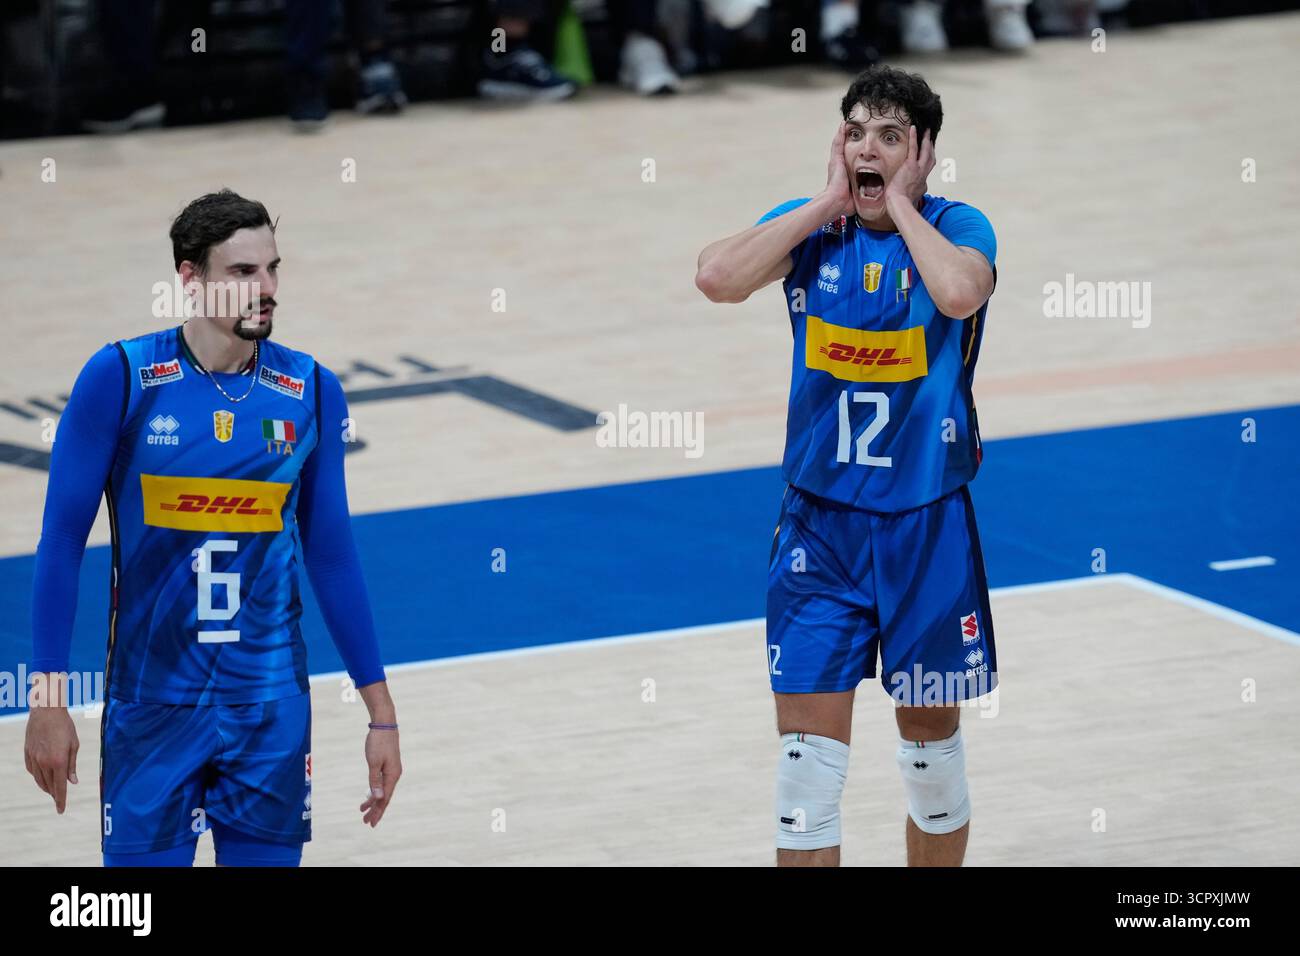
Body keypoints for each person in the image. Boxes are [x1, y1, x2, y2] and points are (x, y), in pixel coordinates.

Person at [24, 189, 401, 866]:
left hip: (269, 710)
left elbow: (334, 557)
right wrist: (47, 700)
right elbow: (59, 548)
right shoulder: (123, 378)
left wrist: (382, 713)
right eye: (243, 273)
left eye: (273, 270)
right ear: (190, 278)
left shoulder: (311, 390)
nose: (267, 290)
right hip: (152, 709)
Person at [695, 65, 998, 866]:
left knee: (932, 769)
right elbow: (716, 278)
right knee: (805, 785)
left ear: (925, 152)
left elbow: (962, 294)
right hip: (818, 535)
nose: (870, 147)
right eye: (857, 131)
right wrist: (830, 202)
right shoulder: (809, 232)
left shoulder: (959, 225)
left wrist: (898, 204)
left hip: (925, 532)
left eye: (891, 137)